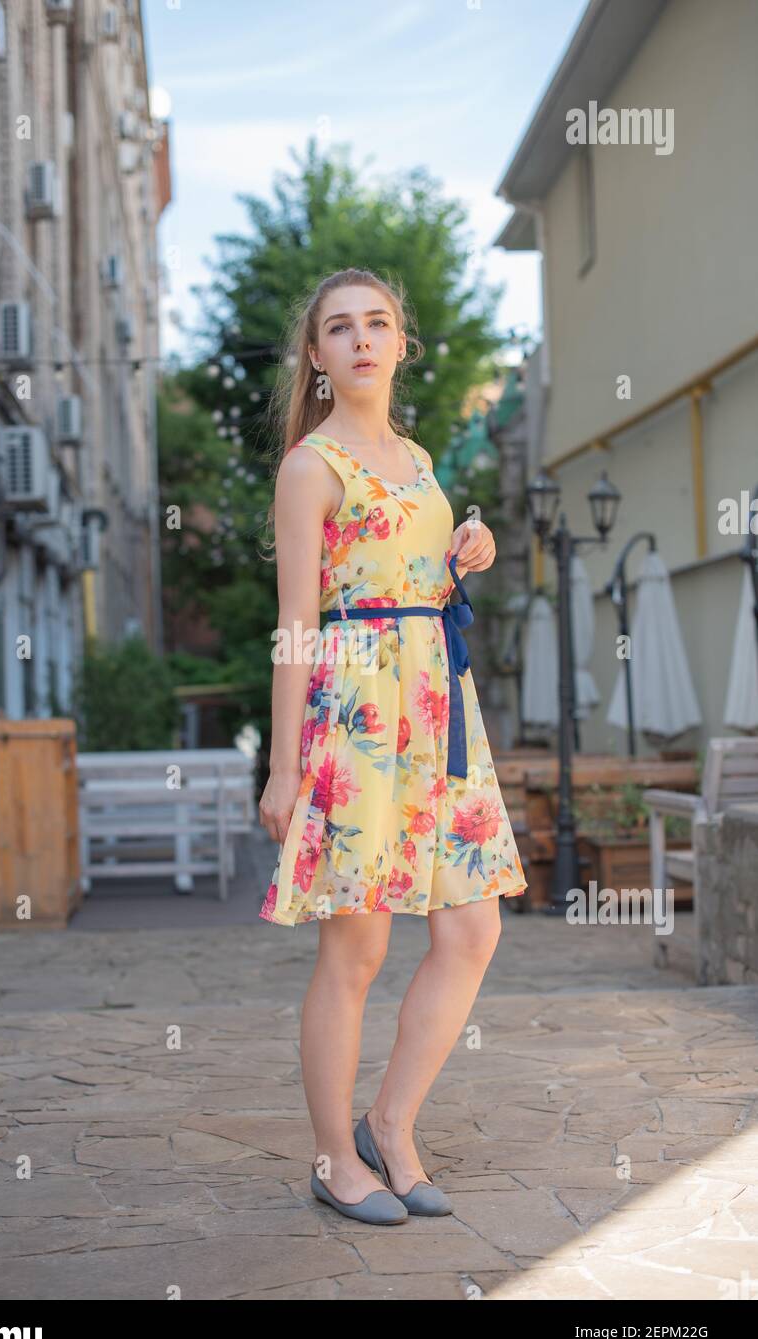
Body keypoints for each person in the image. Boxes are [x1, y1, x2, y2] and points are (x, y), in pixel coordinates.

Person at [258, 267, 528, 1224]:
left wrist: (469, 542)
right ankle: (335, 1159)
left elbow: (421, 572)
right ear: (317, 355)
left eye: (377, 323)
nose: (362, 339)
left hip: (441, 706)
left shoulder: (416, 457)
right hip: (359, 711)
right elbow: (296, 623)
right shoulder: (310, 466)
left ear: (401, 343)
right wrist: (283, 766)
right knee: (358, 947)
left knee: (473, 928)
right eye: (340, 327)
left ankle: (390, 1125)